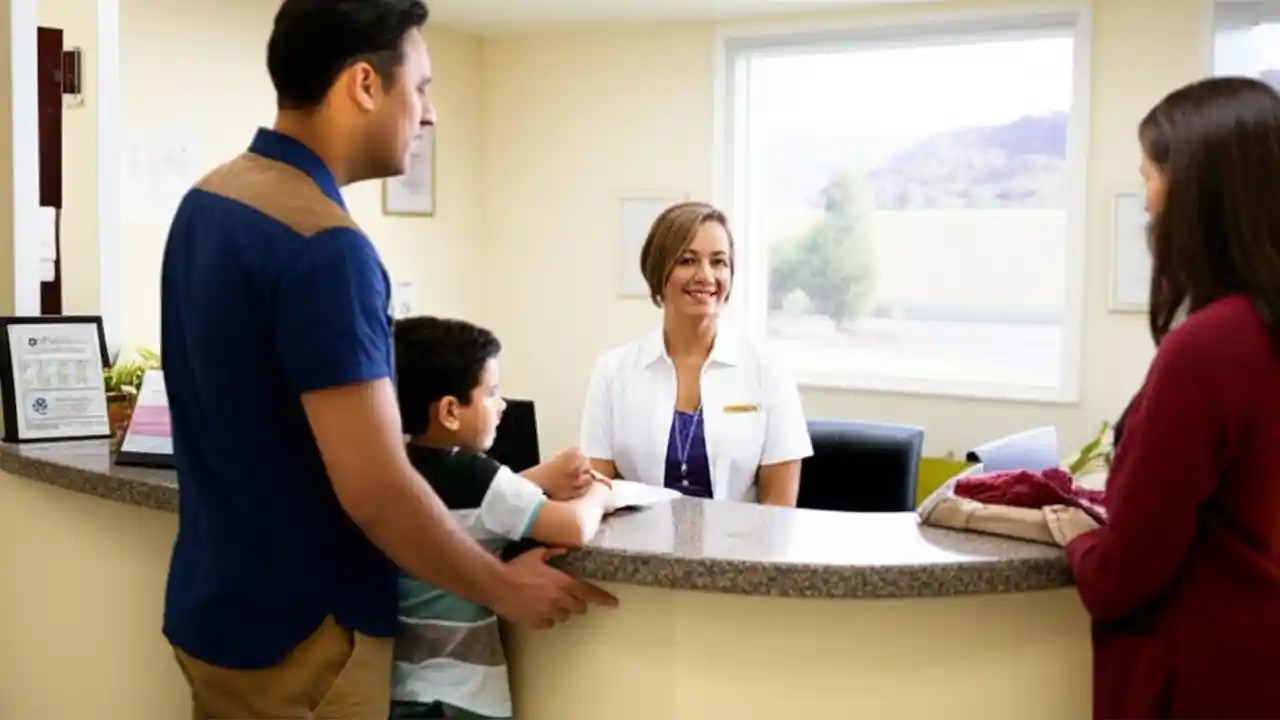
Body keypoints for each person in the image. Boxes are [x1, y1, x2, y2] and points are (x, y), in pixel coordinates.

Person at [159, 2, 614, 717]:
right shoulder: (326, 247)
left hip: (215, 609)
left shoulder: (208, 202)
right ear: (365, 84)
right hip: (307, 640)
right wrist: (501, 589)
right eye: (423, 88)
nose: (428, 115)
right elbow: (376, 486)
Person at [1043, 76, 1280, 719]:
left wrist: (1077, 537)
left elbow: (1124, 578)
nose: (1147, 204)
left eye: (1151, 176)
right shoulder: (1262, 331)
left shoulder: (1207, 350)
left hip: (1200, 679)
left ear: (1201, 191)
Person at [389, 316, 613, 719]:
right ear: (450, 411)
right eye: (491, 393)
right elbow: (574, 527)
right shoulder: (475, 475)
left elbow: (468, 511)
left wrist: (539, 478)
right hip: (463, 698)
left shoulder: (397, 473)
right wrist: (602, 489)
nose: (502, 405)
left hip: (402, 690)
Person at [580, 201, 813, 505]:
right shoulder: (612, 370)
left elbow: (779, 506)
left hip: (741, 548)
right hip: (634, 547)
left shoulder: (768, 369)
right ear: (658, 270)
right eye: (687, 261)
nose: (705, 276)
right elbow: (597, 491)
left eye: (718, 262)